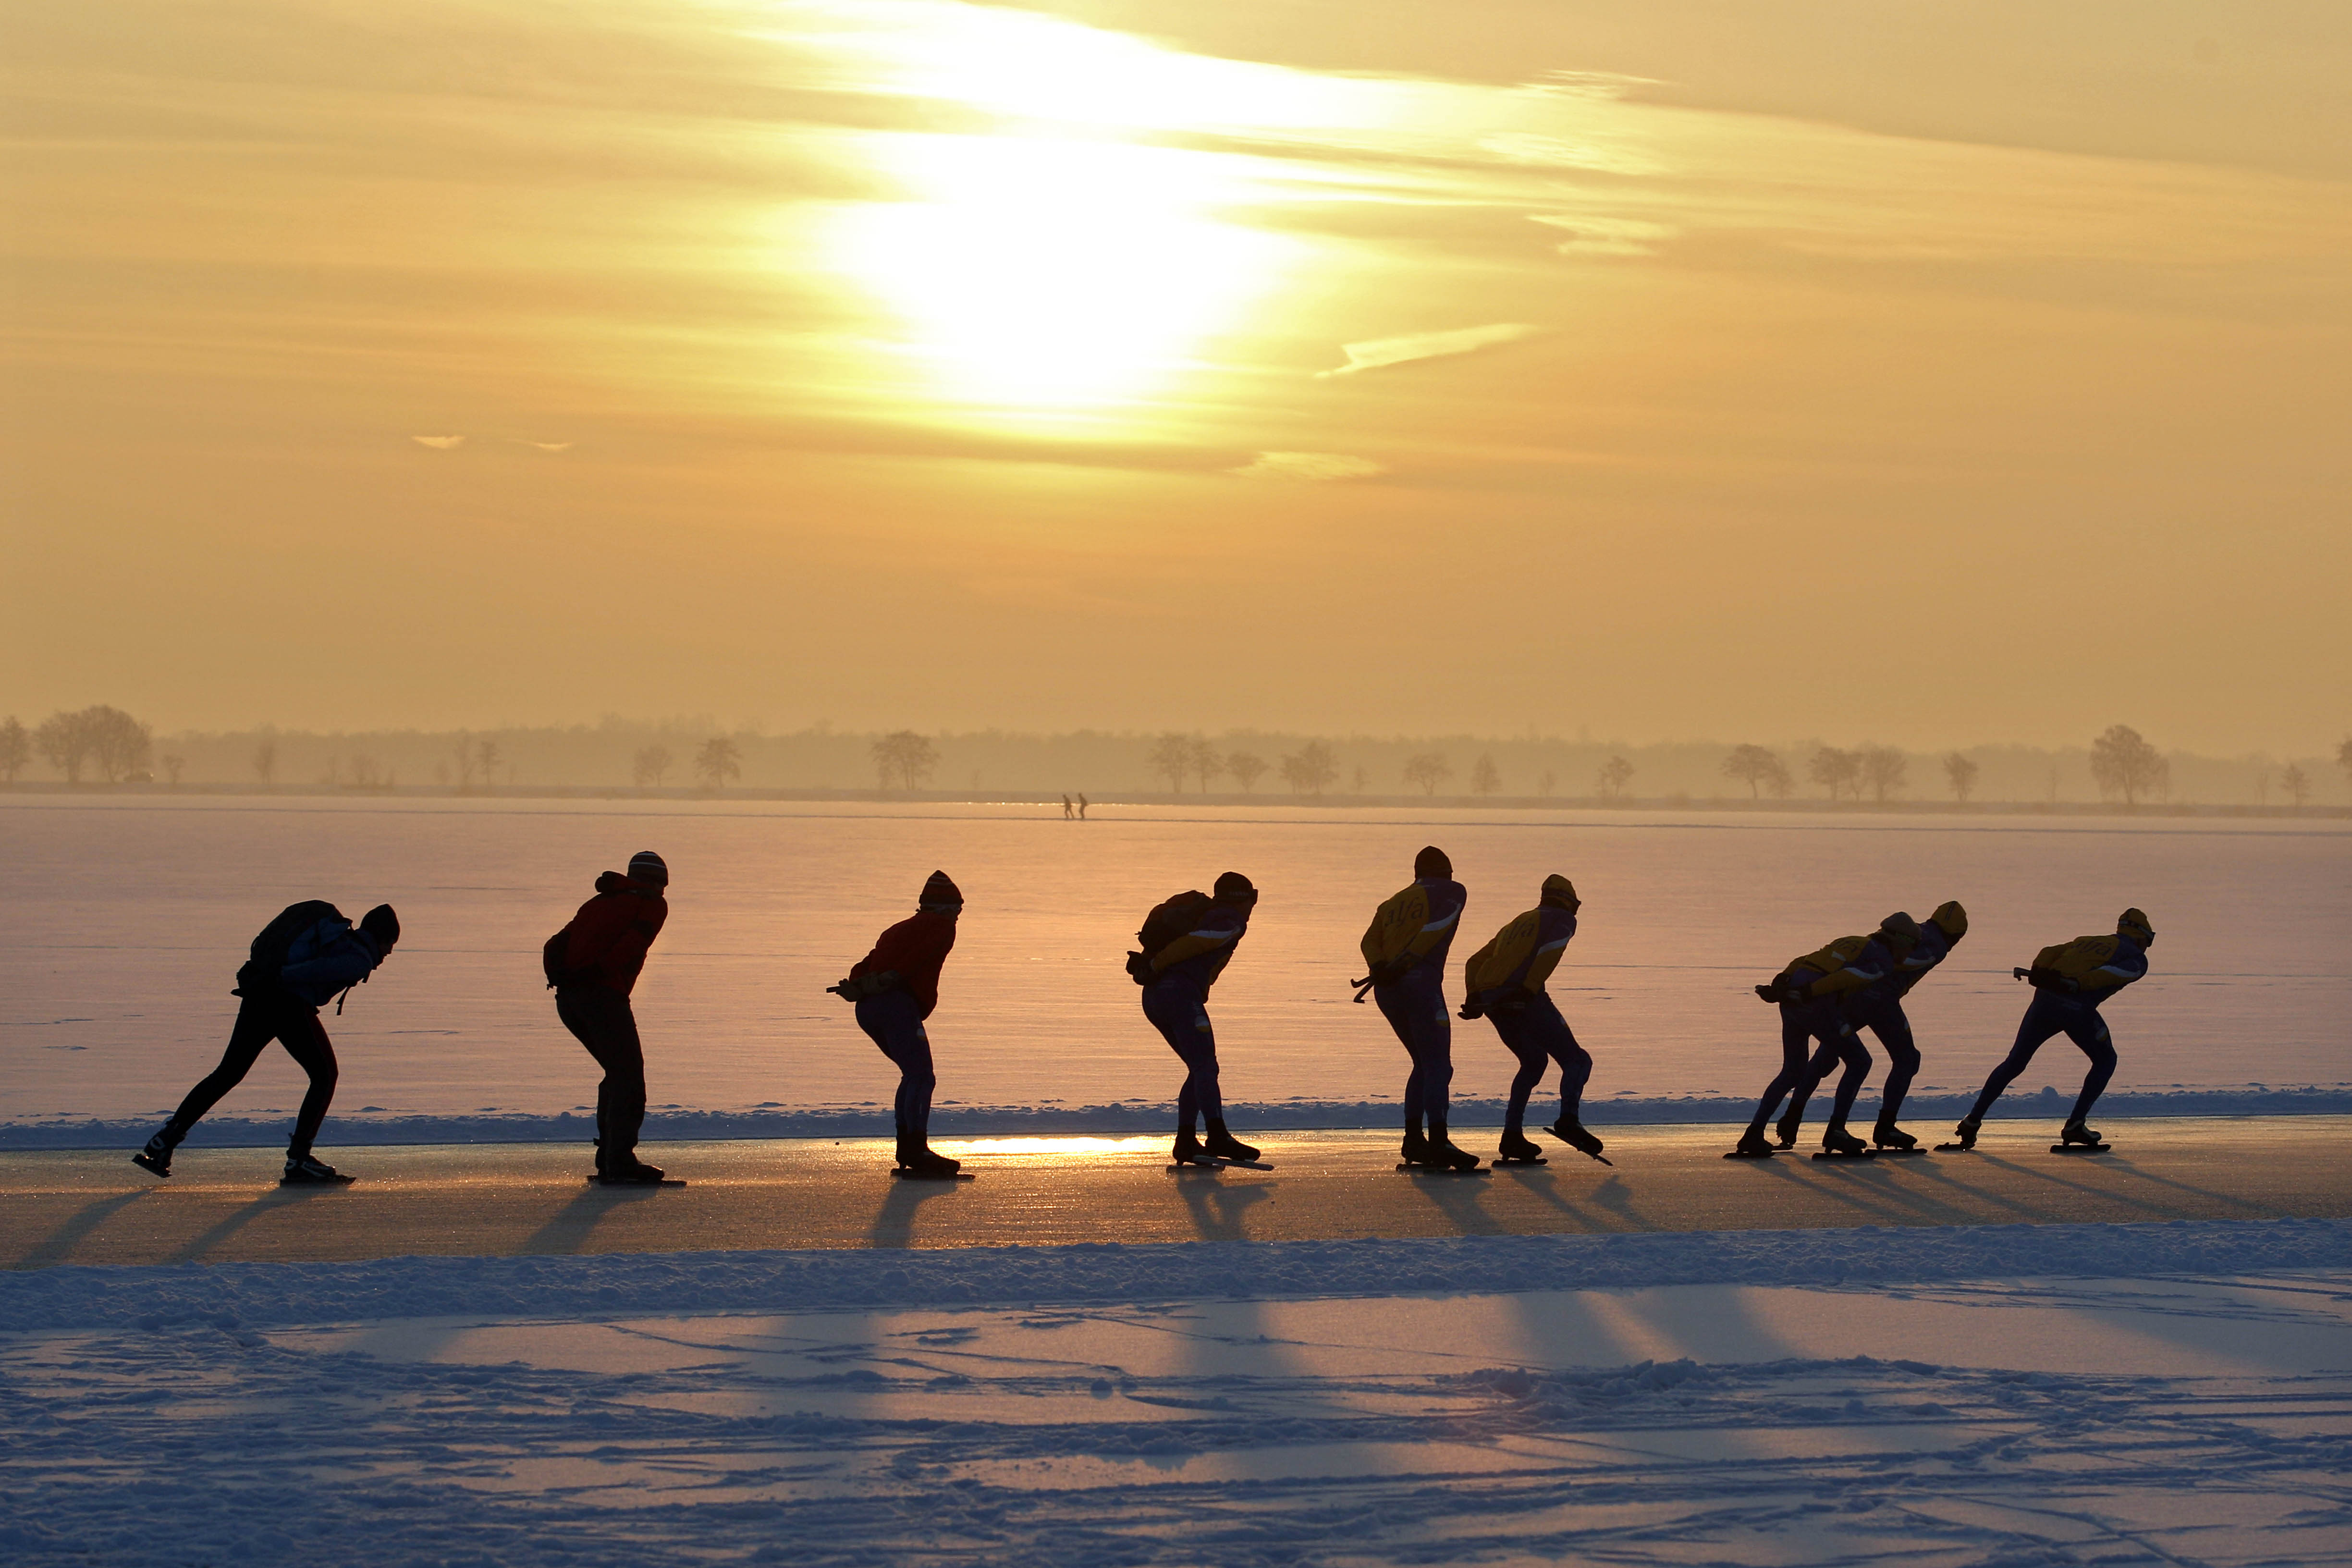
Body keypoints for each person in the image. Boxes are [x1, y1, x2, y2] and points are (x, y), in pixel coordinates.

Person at [135, 900, 401, 1185]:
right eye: (390, 945)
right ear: (381, 938)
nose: (388, 953)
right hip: (286, 1004)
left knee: (229, 1073)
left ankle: (163, 1142)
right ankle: (299, 1160)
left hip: (260, 997)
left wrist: (264, 979)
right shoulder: (358, 958)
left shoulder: (340, 941)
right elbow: (313, 971)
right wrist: (277, 978)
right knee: (325, 1076)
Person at [1948, 908, 2152, 1151]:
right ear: (2140, 937)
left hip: (2044, 1001)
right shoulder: (2137, 959)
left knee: (2015, 1062)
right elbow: (2112, 974)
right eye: (2148, 941)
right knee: (2106, 1060)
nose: (2147, 947)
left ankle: (1972, 1121)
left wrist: (2040, 970)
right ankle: (2075, 1125)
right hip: (2076, 1007)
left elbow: (2049, 951)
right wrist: (2079, 984)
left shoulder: (2088, 941)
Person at [548, 850, 670, 1184]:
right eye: (662, 885)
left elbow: (556, 943)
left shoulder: (599, 902)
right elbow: (632, 945)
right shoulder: (651, 905)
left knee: (617, 1074)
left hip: (569, 1000)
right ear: (656, 883)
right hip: (602, 998)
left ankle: (610, 1158)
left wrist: (571, 978)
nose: (663, 892)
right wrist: (600, 975)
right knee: (628, 1078)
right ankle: (620, 1161)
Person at [830, 871, 964, 1176]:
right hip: (896, 1007)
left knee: (913, 1074)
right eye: (957, 908)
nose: (958, 916)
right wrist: (893, 978)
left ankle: (908, 1149)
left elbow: (865, 964)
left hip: (869, 1010)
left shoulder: (896, 929)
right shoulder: (942, 927)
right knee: (921, 1076)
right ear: (944, 908)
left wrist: (858, 983)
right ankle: (916, 1150)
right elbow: (918, 958)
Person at [1461, 874, 1602, 1165]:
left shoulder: (1519, 922)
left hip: (1491, 999)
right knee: (1577, 1061)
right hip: (1522, 997)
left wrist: (1474, 996)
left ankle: (1512, 1135)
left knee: (1533, 1062)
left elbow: (1474, 961)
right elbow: (1550, 952)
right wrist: (1528, 989)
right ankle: (1569, 1120)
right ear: (1568, 902)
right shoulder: (1562, 919)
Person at [1127, 871, 1259, 1165]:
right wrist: (1156, 964)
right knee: (1205, 1066)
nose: (1253, 907)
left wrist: (1152, 965)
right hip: (1178, 995)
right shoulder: (1230, 920)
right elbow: (1197, 942)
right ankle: (1217, 1135)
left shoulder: (1206, 914)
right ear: (1244, 899)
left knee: (1200, 1068)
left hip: (1155, 997)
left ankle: (1186, 1142)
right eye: (1253, 898)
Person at [1731, 925, 1896, 1158]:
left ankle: (1754, 1133)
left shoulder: (1854, 941)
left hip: (1791, 1002)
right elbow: (1848, 977)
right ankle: (1837, 1131)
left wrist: (1781, 982)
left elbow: (1804, 960)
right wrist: (1809, 992)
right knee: (1860, 1062)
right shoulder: (1884, 957)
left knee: (1793, 1071)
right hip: (1815, 1004)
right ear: (1901, 941)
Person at [1356, 846, 1470, 1169]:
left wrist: (1380, 966)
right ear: (1447, 872)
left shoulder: (1393, 902)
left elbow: (1368, 941)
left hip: (1387, 989)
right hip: (1420, 985)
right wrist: (1406, 962)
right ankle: (1439, 1141)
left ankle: (1414, 1140)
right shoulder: (1453, 890)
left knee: (1422, 1064)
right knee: (1438, 1066)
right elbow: (1437, 926)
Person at [1771, 911, 1923, 1150]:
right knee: (1891, 1060)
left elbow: (1812, 960)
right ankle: (1851, 1128)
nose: (1910, 955)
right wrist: (1808, 992)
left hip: (1842, 1005)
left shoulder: (1867, 944)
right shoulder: (1900, 954)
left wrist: (1786, 981)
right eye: (1911, 948)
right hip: (1872, 1003)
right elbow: (1848, 976)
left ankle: (1793, 1117)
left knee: (1824, 1060)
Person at [1840, 901, 1967, 1150]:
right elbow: (1902, 961)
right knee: (1907, 1059)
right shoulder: (1938, 945)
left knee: (1829, 1055)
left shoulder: (1917, 929)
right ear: (1955, 935)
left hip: (1855, 994)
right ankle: (1885, 1128)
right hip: (1881, 1002)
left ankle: (1795, 1117)